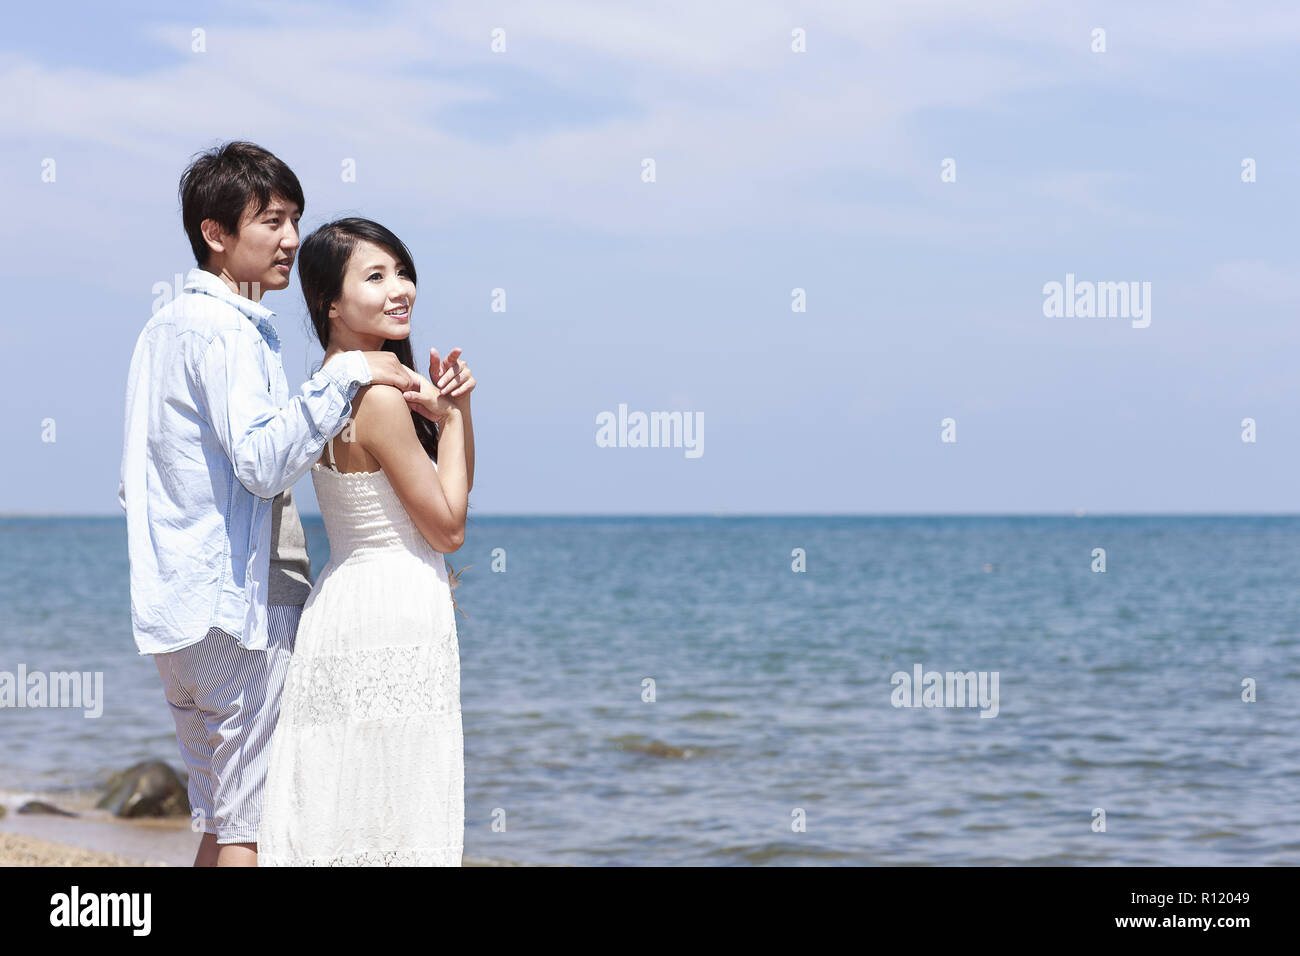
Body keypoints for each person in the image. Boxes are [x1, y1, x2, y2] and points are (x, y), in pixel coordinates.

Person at [118, 142, 418, 867]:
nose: (290, 240)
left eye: (294, 220)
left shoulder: (161, 329)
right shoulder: (228, 329)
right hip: (235, 612)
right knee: (254, 827)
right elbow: (259, 464)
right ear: (215, 233)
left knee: (221, 823)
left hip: (172, 616)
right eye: (271, 221)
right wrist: (344, 372)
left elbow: (135, 481)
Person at [257, 217, 474, 866]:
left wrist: (448, 417)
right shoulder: (379, 398)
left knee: (340, 795)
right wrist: (458, 417)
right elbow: (448, 526)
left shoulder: (326, 390)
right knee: (399, 803)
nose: (399, 289)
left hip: (342, 602)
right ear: (329, 301)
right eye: (375, 277)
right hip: (395, 606)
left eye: (402, 272)